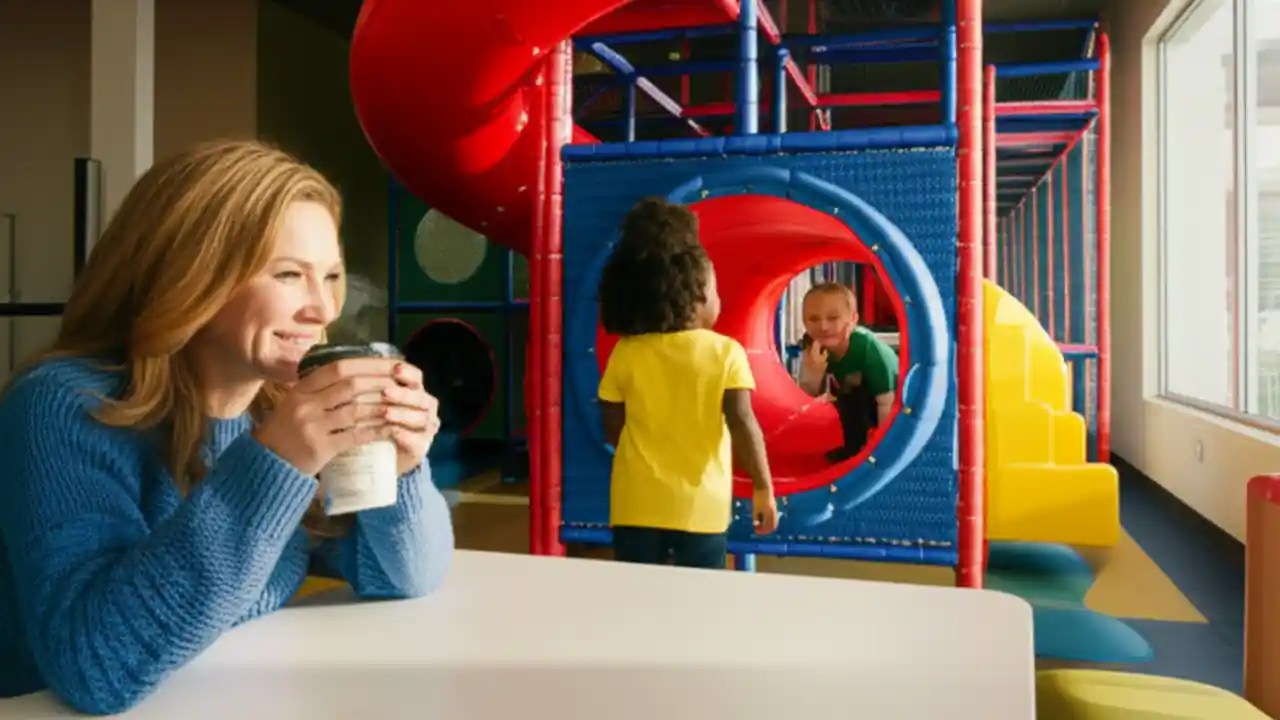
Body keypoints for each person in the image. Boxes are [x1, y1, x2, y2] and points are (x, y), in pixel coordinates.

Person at [0, 140, 454, 713]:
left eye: (332, 276)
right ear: (191, 277)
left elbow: (403, 576)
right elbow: (95, 668)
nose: (323, 309)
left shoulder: (274, 409)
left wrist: (405, 468)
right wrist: (277, 463)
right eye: (289, 274)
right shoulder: (64, 406)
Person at [596, 197, 778, 569]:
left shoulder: (627, 352)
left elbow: (613, 424)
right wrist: (763, 487)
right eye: (715, 291)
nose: (719, 298)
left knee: (637, 595)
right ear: (694, 298)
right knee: (701, 600)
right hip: (701, 506)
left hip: (636, 503)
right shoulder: (725, 352)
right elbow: (742, 422)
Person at [797, 282, 899, 462]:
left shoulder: (867, 347)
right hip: (857, 392)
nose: (823, 327)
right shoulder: (813, 345)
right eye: (813, 319)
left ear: (853, 320)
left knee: (855, 398)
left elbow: (886, 400)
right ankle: (853, 449)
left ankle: (870, 450)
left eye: (833, 318)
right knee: (846, 399)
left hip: (896, 399)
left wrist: (884, 452)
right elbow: (809, 393)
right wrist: (813, 371)